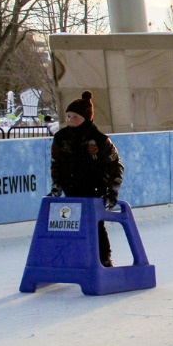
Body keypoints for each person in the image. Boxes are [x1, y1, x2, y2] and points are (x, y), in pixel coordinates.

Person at [48, 91, 124, 267]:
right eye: (67, 116)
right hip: (71, 189)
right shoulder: (61, 138)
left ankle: (104, 258)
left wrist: (112, 192)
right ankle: (70, 258)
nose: (69, 120)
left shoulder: (99, 140)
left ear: (86, 118)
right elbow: (56, 163)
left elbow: (116, 166)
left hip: (95, 190)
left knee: (95, 225)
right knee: (70, 224)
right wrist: (57, 186)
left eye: (74, 117)